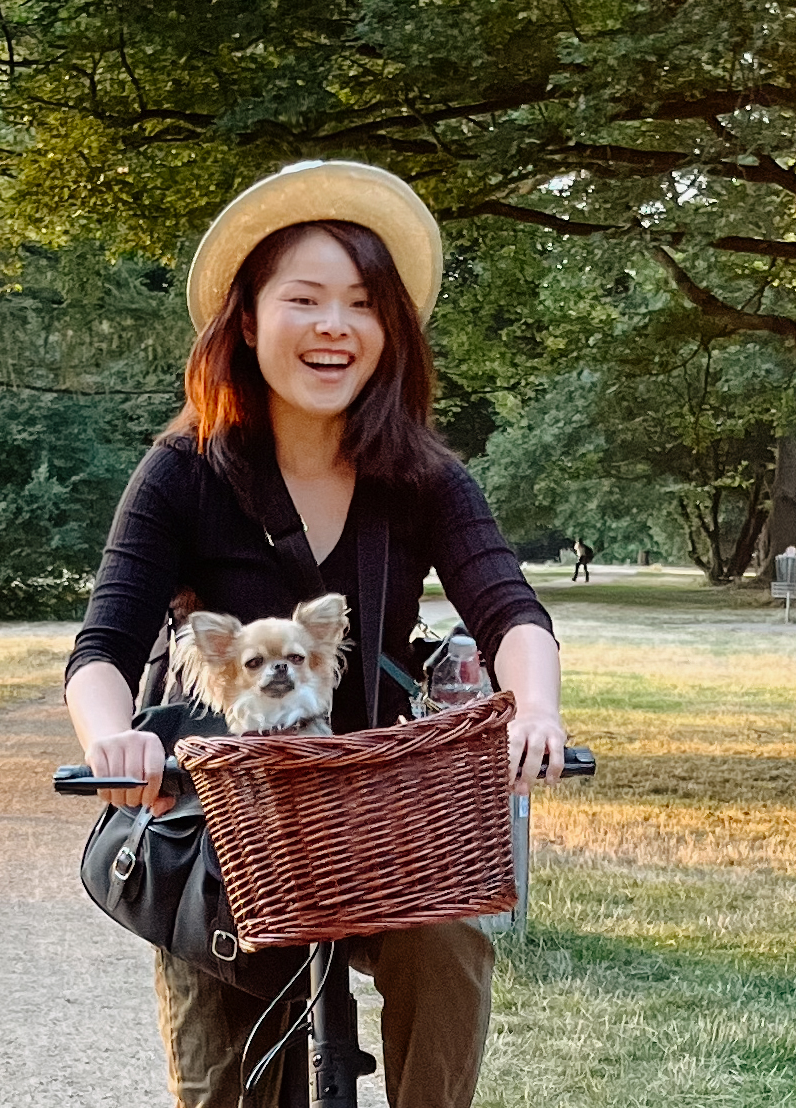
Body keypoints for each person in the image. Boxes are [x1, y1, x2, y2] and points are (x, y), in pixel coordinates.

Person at [65, 161, 567, 1108]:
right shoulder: (181, 472)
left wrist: (533, 708)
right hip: (218, 832)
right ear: (248, 322)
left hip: (370, 822)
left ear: (389, 334)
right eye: (305, 299)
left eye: (362, 303)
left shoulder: (422, 477)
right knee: (229, 1084)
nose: (335, 325)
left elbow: (509, 608)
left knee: (449, 942)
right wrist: (111, 741)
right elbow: (101, 646)